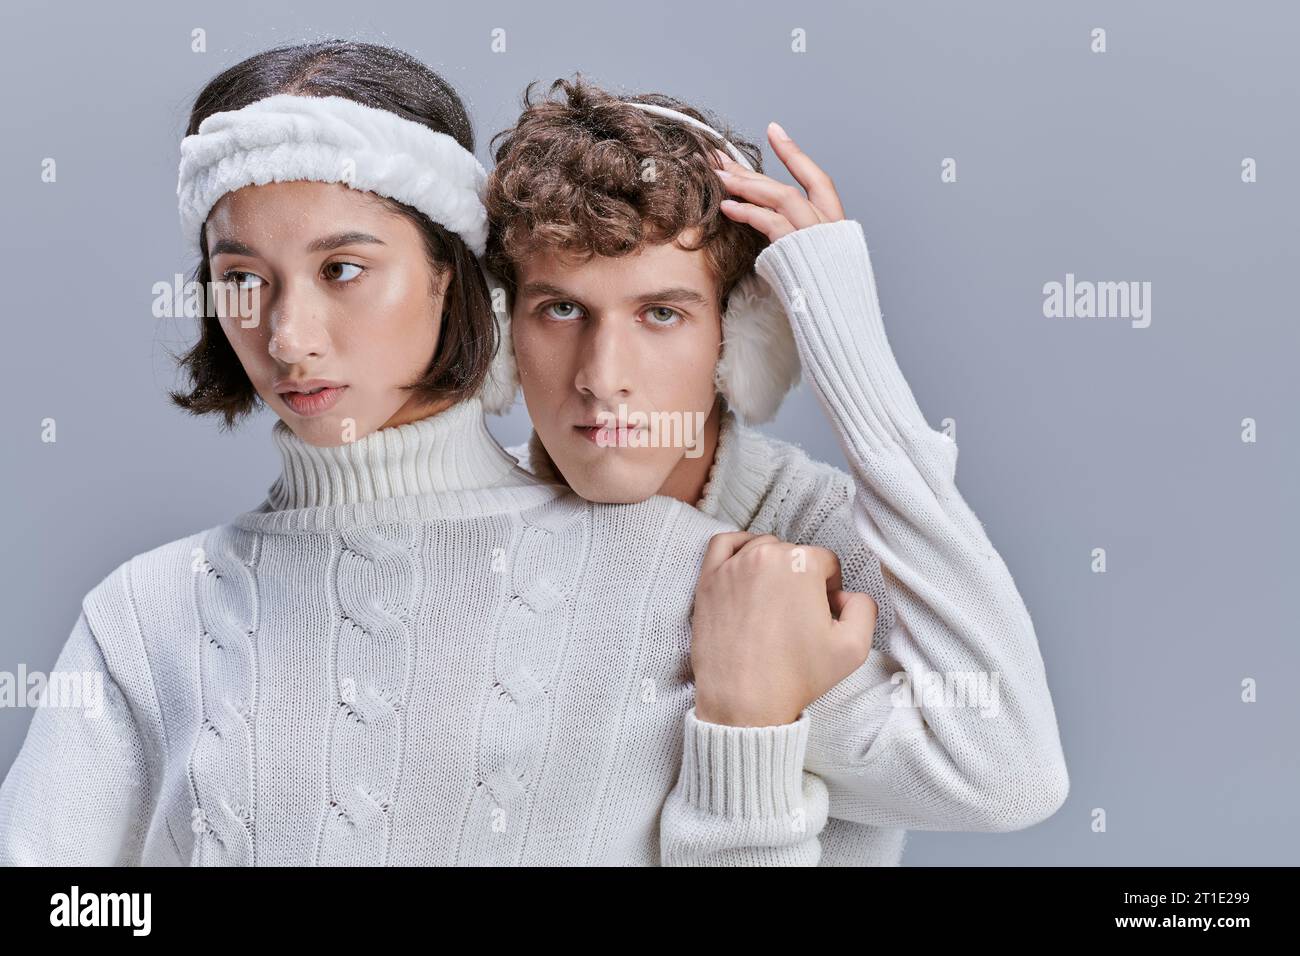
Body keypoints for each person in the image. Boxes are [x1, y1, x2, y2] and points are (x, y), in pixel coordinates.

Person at [0, 41, 866, 866]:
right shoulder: (146, 617)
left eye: (343, 269)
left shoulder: (691, 579)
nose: (287, 337)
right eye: (244, 279)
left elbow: (991, 773)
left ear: (452, 275)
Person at [483, 77, 1071, 865]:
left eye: (662, 313)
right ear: (499, 333)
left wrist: (852, 356)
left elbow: (1010, 778)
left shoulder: (827, 538)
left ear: (740, 336)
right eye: (561, 310)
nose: (602, 375)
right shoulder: (465, 533)